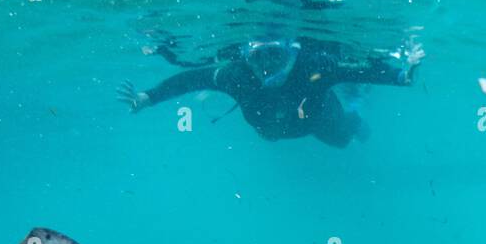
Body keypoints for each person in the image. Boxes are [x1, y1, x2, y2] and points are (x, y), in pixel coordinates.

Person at [117, 35, 424, 147]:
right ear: (246, 57)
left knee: (342, 140)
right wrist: (148, 98)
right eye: (257, 57)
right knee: (270, 136)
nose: (265, 65)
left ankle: (355, 111)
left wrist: (402, 75)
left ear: (291, 52)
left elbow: (362, 70)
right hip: (272, 128)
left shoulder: (314, 65)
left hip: (319, 122)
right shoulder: (235, 75)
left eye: (275, 55)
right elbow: (190, 80)